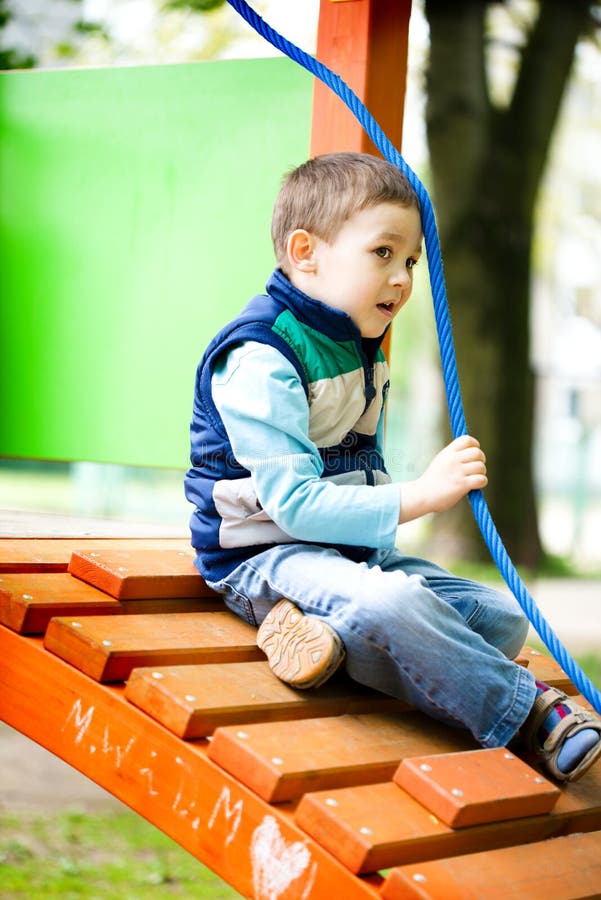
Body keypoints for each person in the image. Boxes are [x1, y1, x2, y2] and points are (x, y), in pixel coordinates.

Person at [185, 151, 601, 783]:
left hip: (340, 551)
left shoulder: (359, 343)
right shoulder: (259, 358)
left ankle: (322, 637)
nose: (404, 278)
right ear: (306, 253)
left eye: (409, 260)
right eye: (383, 253)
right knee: (394, 607)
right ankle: (530, 716)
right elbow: (294, 506)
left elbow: (358, 464)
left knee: (500, 617)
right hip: (264, 556)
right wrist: (423, 495)